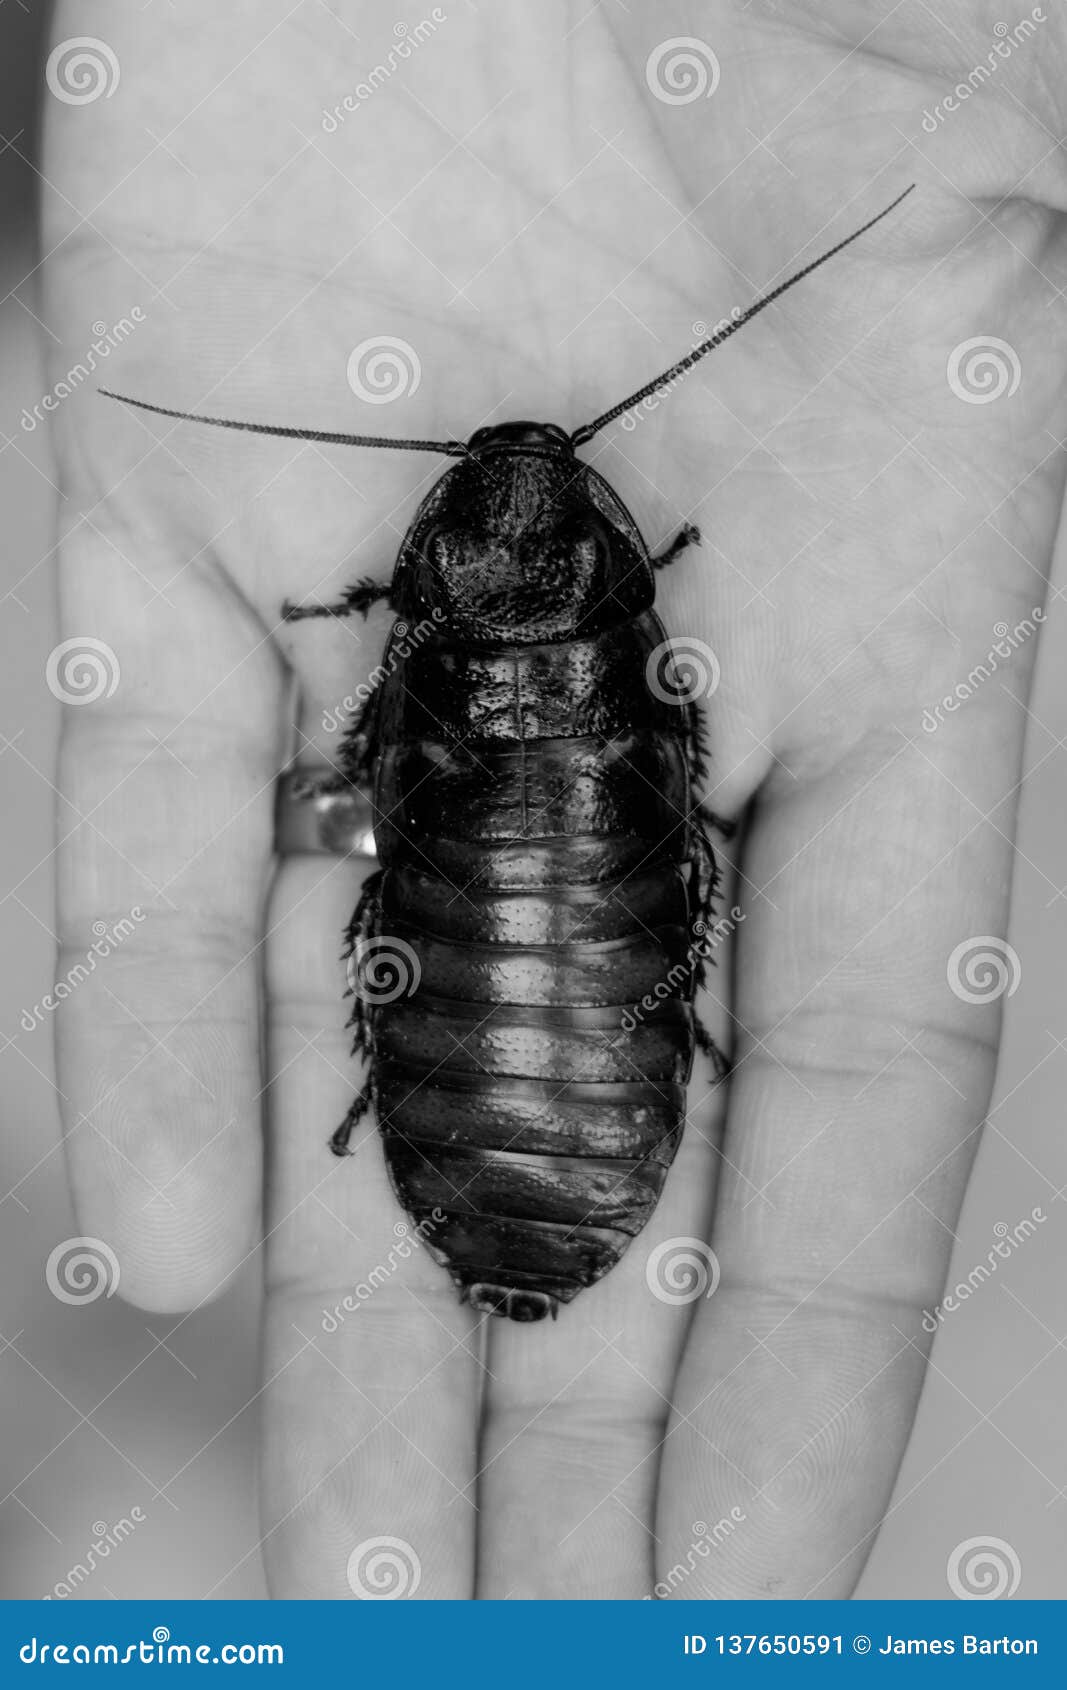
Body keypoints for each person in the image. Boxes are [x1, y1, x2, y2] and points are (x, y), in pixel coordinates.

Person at [42, 1, 1064, 1599]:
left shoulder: (418, 659)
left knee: (429, 876)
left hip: (498, 947)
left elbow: (381, 778)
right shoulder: (620, 638)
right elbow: (671, 762)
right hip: (595, 920)